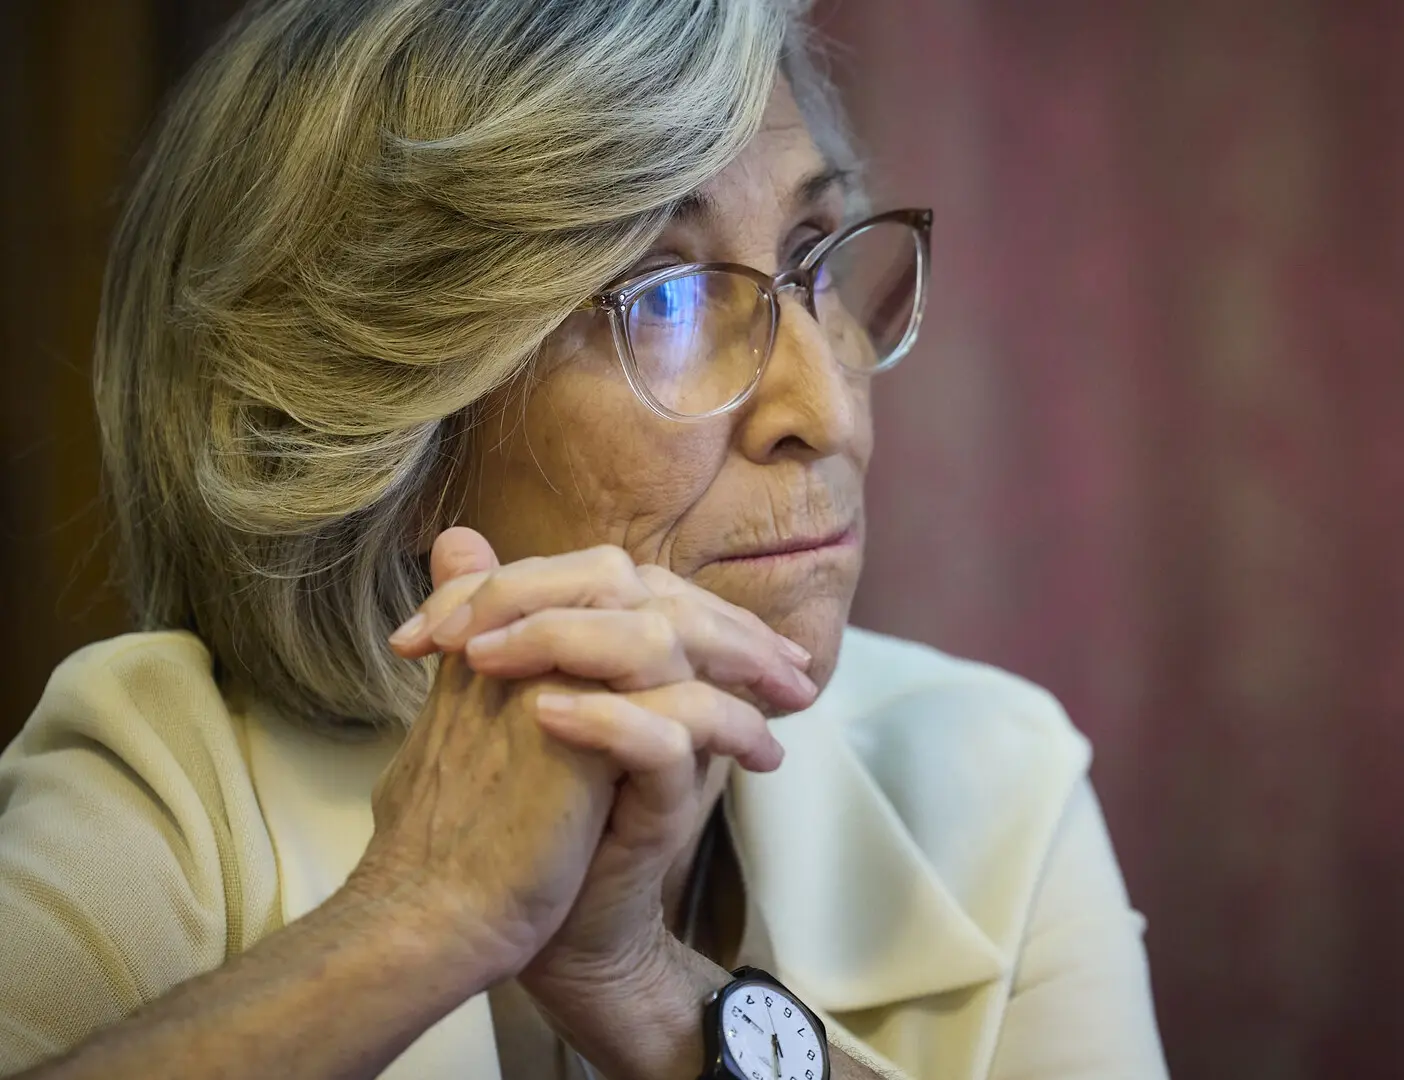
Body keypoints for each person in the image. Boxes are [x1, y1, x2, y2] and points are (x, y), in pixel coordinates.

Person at [0, 1, 1168, 1078]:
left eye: (814, 256)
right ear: (388, 431)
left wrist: (653, 996)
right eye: (661, 293)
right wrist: (422, 914)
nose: (825, 408)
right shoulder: (166, 789)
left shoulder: (989, 777)